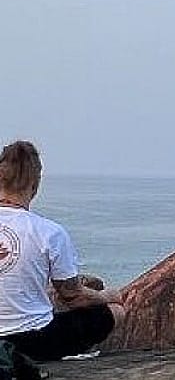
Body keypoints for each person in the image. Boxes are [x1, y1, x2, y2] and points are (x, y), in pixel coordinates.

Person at [0, 140, 126, 361]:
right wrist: (108, 295)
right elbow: (74, 297)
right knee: (115, 311)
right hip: (33, 342)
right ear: (35, 183)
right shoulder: (49, 232)